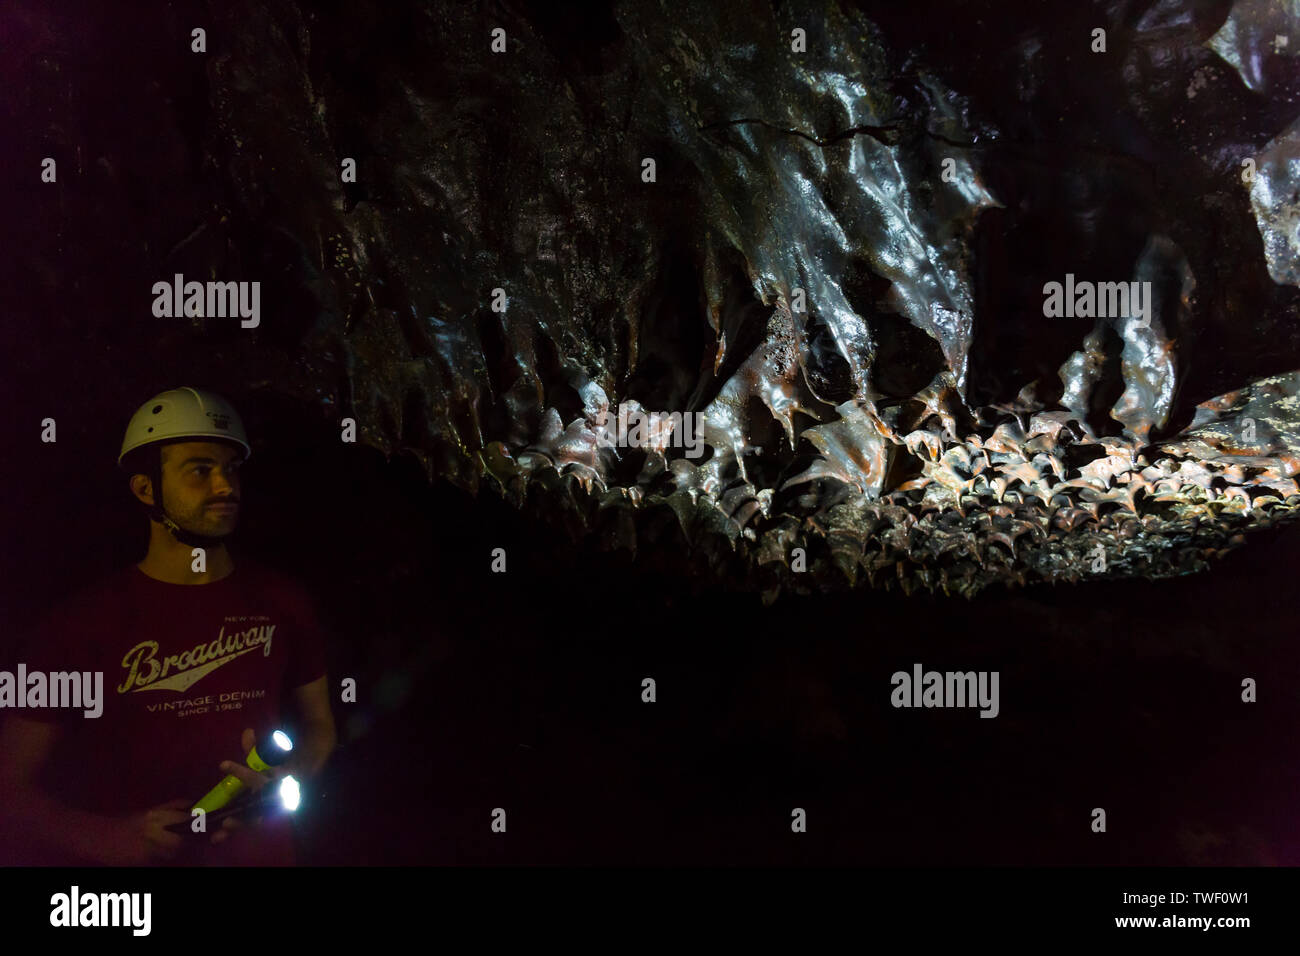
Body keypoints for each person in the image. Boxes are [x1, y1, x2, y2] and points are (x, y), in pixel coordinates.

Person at [0, 387, 338, 865]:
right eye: (200, 470)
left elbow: (321, 727)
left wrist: (290, 778)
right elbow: (8, 789)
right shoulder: (80, 624)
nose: (225, 486)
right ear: (145, 489)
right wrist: (101, 835)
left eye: (231, 468)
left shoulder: (282, 600)